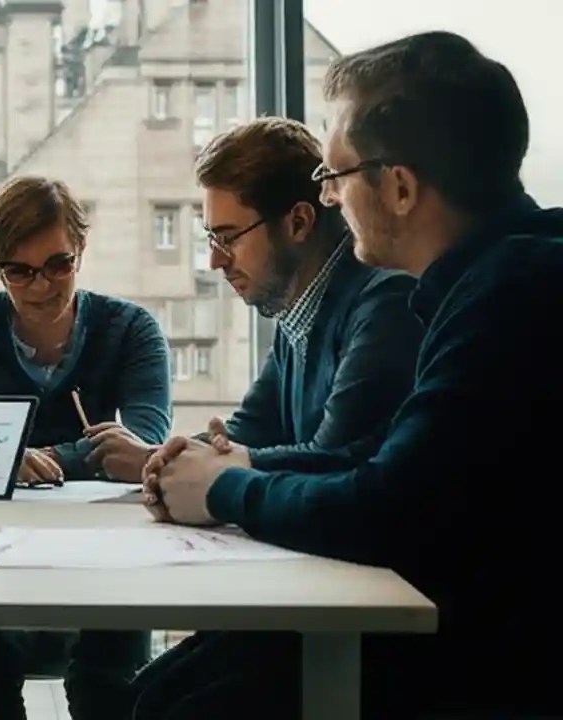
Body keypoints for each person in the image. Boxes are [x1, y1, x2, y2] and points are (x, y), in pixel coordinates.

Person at [137, 31, 563, 718]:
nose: (329, 199)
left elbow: (385, 508)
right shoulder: (496, 279)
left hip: (494, 668)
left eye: (334, 175)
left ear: (397, 187)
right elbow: (385, 461)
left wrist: (225, 488)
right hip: (481, 633)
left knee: (179, 701)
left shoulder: (509, 296)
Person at [0, 175, 168, 720]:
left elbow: (142, 445)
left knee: (109, 681)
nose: (41, 286)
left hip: (108, 558)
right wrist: (75, 454)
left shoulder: (132, 330)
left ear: (81, 251)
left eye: (59, 265)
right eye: (20, 271)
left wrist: (18, 458)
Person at [89, 117, 421, 482]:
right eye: (211, 241)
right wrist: (162, 459)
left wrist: (192, 468)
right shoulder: (298, 310)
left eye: (229, 238)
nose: (215, 261)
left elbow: (332, 459)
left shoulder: (385, 306)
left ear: (298, 222)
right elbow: (250, 432)